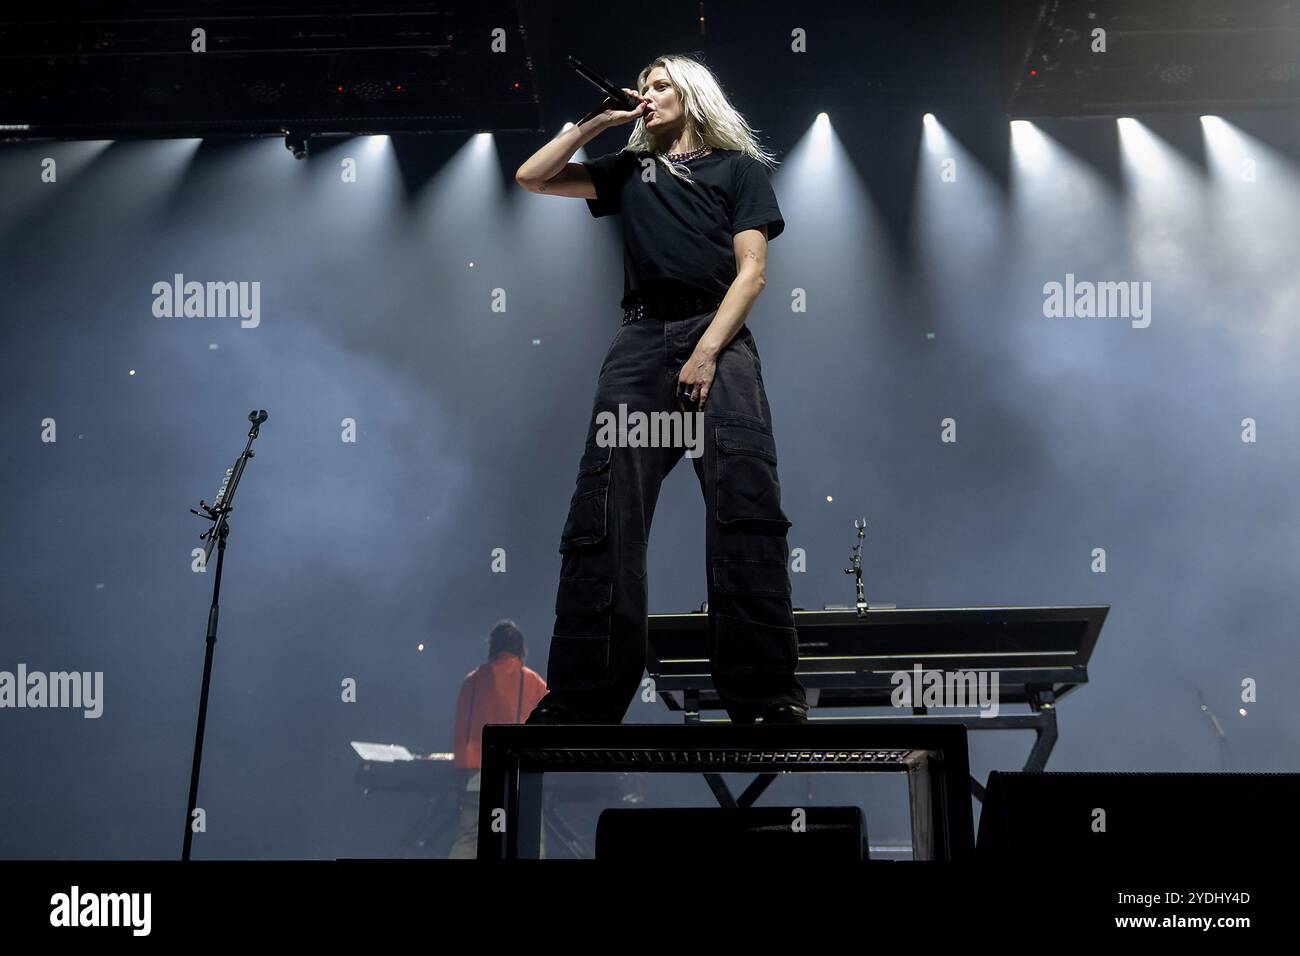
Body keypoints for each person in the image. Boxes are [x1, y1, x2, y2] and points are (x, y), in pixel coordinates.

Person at [514, 54, 808, 726]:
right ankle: (586, 699)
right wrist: (600, 120)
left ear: (693, 94)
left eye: (660, 84)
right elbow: (533, 177)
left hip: (718, 338)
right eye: (641, 87)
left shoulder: (738, 169)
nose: (647, 95)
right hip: (642, 346)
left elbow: (753, 273)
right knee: (605, 514)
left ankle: (763, 698)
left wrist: (706, 353)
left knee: (744, 510)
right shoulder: (631, 171)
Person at [447, 619, 548, 858]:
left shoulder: (471, 680)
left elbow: (461, 726)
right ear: (520, 647)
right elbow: (550, 724)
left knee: (469, 837)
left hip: (476, 775)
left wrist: (461, 766)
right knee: (531, 835)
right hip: (519, 775)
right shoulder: (533, 681)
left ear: (492, 646)